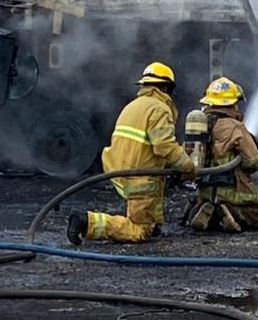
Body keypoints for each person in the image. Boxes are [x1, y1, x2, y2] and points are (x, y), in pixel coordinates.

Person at [66, 62, 196, 243]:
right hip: (138, 174)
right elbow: (164, 145)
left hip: (121, 169)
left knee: (154, 187)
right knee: (138, 230)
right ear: (166, 88)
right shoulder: (159, 109)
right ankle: (87, 222)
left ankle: (154, 225)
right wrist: (188, 166)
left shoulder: (133, 106)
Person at [185, 77, 258, 232]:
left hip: (204, 191)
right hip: (233, 189)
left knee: (206, 202)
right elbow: (253, 162)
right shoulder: (235, 127)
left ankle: (205, 210)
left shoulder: (200, 125)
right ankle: (231, 212)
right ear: (233, 104)